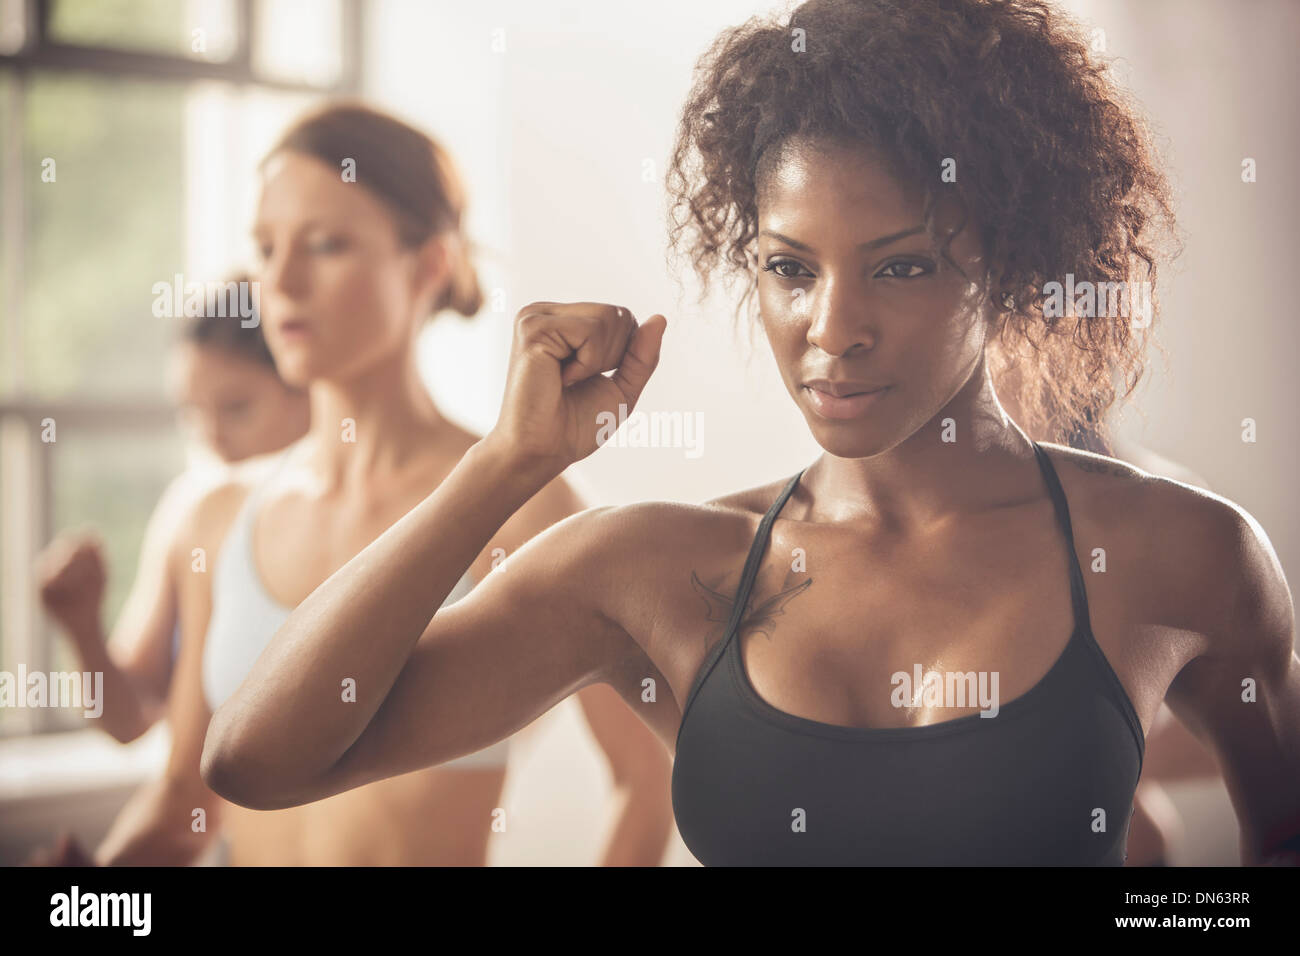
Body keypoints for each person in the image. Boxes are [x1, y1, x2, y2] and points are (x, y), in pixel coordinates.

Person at [201, 0, 1300, 866]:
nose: (832, 329)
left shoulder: (1182, 552)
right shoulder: (653, 569)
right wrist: (505, 464)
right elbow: (259, 756)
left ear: (1005, 262)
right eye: (789, 268)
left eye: (900, 265)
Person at [85, 102, 673, 866]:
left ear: (429, 265)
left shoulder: (524, 510)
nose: (282, 280)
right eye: (265, 248)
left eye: (325, 245)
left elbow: (643, 780)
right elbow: (182, 803)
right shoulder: (217, 518)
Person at [34, 279, 310, 745]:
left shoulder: (348, 517)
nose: (211, 437)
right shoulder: (189, 511)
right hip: (202, 809)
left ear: (306, 388)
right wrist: (82, 628)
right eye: (192, 412)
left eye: (236, 409)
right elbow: (129, 721)